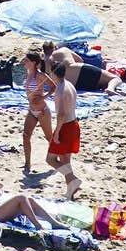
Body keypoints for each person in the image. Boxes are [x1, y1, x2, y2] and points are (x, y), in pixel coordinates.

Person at [46, 49, 82, 198]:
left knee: (51, 159)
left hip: (66, 126)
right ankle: (71, 189)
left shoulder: (60, 90)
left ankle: (73, 180)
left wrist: (57, 133)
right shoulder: (69, 85)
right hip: (74, 124)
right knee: (65, 160)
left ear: (54, 73)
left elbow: (61, 114)